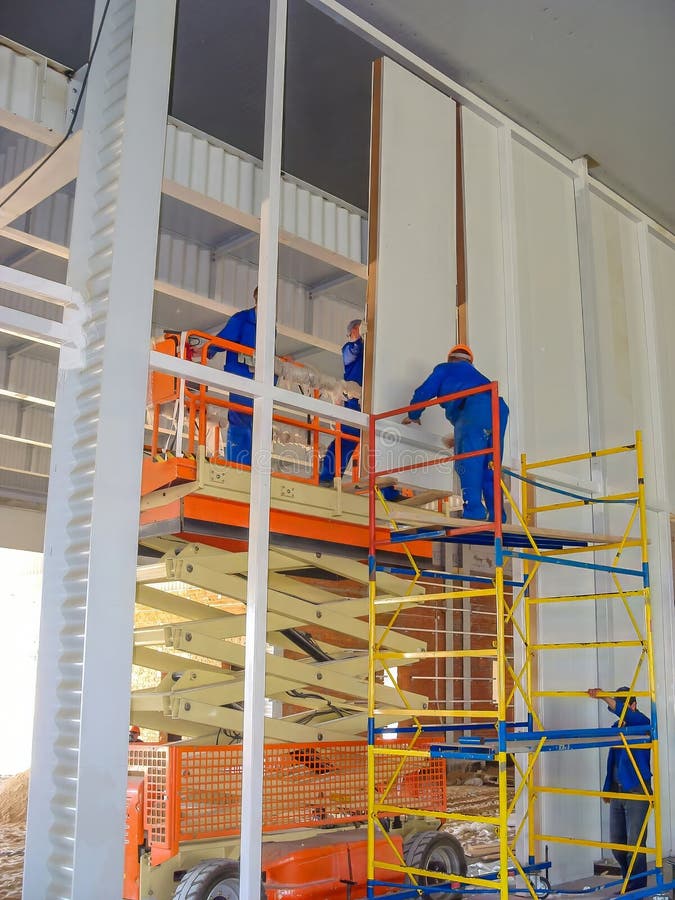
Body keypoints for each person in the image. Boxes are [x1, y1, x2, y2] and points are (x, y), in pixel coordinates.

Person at [402, 344, 508, 521]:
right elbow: (477, 423)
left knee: (469, 462)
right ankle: (497, 516)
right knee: (491, 465)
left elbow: (423, 393)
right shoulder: (479, 377)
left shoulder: (445, 369)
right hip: (499, 408)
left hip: (474, 408)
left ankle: (474, 511)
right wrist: (459, 438)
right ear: (470, 362)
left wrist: (413, 415)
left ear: (450, 358)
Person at [588, 686, 651, 891]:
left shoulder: (642, 722)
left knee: (635, 845)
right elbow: (612, 761)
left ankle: (636, 887)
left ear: (633, 705)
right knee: (617, 845)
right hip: (617, 791)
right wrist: (608, 788)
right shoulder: (616, 726)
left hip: (636, 790)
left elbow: (625, 714)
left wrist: (604, 697)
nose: (620, 711)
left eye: (623, 705)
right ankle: (628, 881)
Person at [208, 287, 258, 465]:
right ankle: (238, 463)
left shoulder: (270, 328)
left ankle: (251, 464)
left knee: (255, 421)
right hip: (241, 374)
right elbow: (223, 339)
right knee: (240, 417)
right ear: (257, 298)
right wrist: (207, 350)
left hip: (259, 380)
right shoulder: (242, 319)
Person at [319, 318, 364, 484]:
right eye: (360, 329)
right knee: (346, 441)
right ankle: (328, 477)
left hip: (370, 404)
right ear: (353, 331)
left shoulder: (371, 352)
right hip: (354, 403)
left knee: (376, 443)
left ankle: (387, 490)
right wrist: (358, 340)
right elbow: (353, 350)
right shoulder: (350, 349)